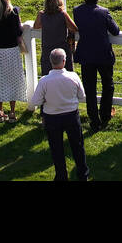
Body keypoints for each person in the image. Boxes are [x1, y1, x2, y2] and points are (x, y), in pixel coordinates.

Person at [28, 47, 90, 181]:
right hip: (71, 115)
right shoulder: (73, 77)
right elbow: (82, 96)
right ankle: (83, 174)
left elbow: (35, 101)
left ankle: (61, 176)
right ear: (64, 61)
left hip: (52, 117)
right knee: (77, 146)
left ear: (51, 62)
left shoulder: (44, 80)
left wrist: (47, 99)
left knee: (57, 149)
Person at [73, 0, 120, 131]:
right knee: (108, 85)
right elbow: (116, 31)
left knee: (90, 88)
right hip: (103, 55)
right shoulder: (103, 12)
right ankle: (105, 115)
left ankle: (94, 120)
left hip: (86, 55)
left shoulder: (77, 11)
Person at [33, 0, 78, 75]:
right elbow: (74, 28)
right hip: (62, 51)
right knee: (65, 76)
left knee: (47, 75)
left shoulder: (41, 15)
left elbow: (36, 26)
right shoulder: (62, 14)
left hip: (47, 52)